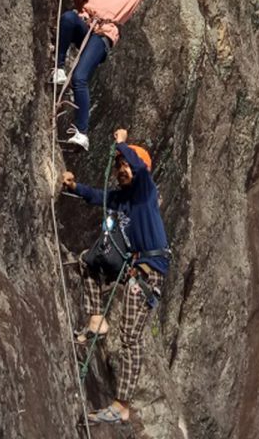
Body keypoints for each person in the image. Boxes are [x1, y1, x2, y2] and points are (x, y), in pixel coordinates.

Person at [56, 0, 212, 150]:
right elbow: (84, 4)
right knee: (68, 18)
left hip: (104, 34)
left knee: (80, 77)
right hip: (87, 24)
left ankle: (82, 133)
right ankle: (58, 68)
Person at [62, 128, 169, 425]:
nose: (122, 170)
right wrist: (73, 186)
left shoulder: (146, 191)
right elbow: (98, 196)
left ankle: (122, 405)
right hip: (132, 267)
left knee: (131, 338)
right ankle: (97, 319)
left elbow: (138, 166)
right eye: (119, 166)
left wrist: (122, 144)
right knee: (89, 262)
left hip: (149, 272)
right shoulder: (122, 198)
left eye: (126, 166)